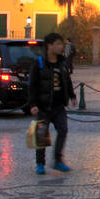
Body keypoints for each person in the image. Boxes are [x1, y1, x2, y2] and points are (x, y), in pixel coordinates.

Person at [28, 31, 77, 174]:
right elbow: (32, 85)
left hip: (59, 105)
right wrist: (32, 104)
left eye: (62, 44)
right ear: (49, 46)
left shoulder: (62, 62)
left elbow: (67, 80)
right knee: (41, 134)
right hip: (43, 105)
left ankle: (58, 160)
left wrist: (72, 96)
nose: (61, 47)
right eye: (58, 44)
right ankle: (40, 163)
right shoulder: (39, 63)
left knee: (63, 130)